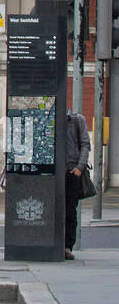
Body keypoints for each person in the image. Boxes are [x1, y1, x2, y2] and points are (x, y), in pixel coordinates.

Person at [64, 110, 90, 260]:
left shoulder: (77, 120)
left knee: (70, 210)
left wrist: (79, 168)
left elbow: (85, 144)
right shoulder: (49, 118)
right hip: (54, 173)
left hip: (72, 171)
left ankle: (67, 246)